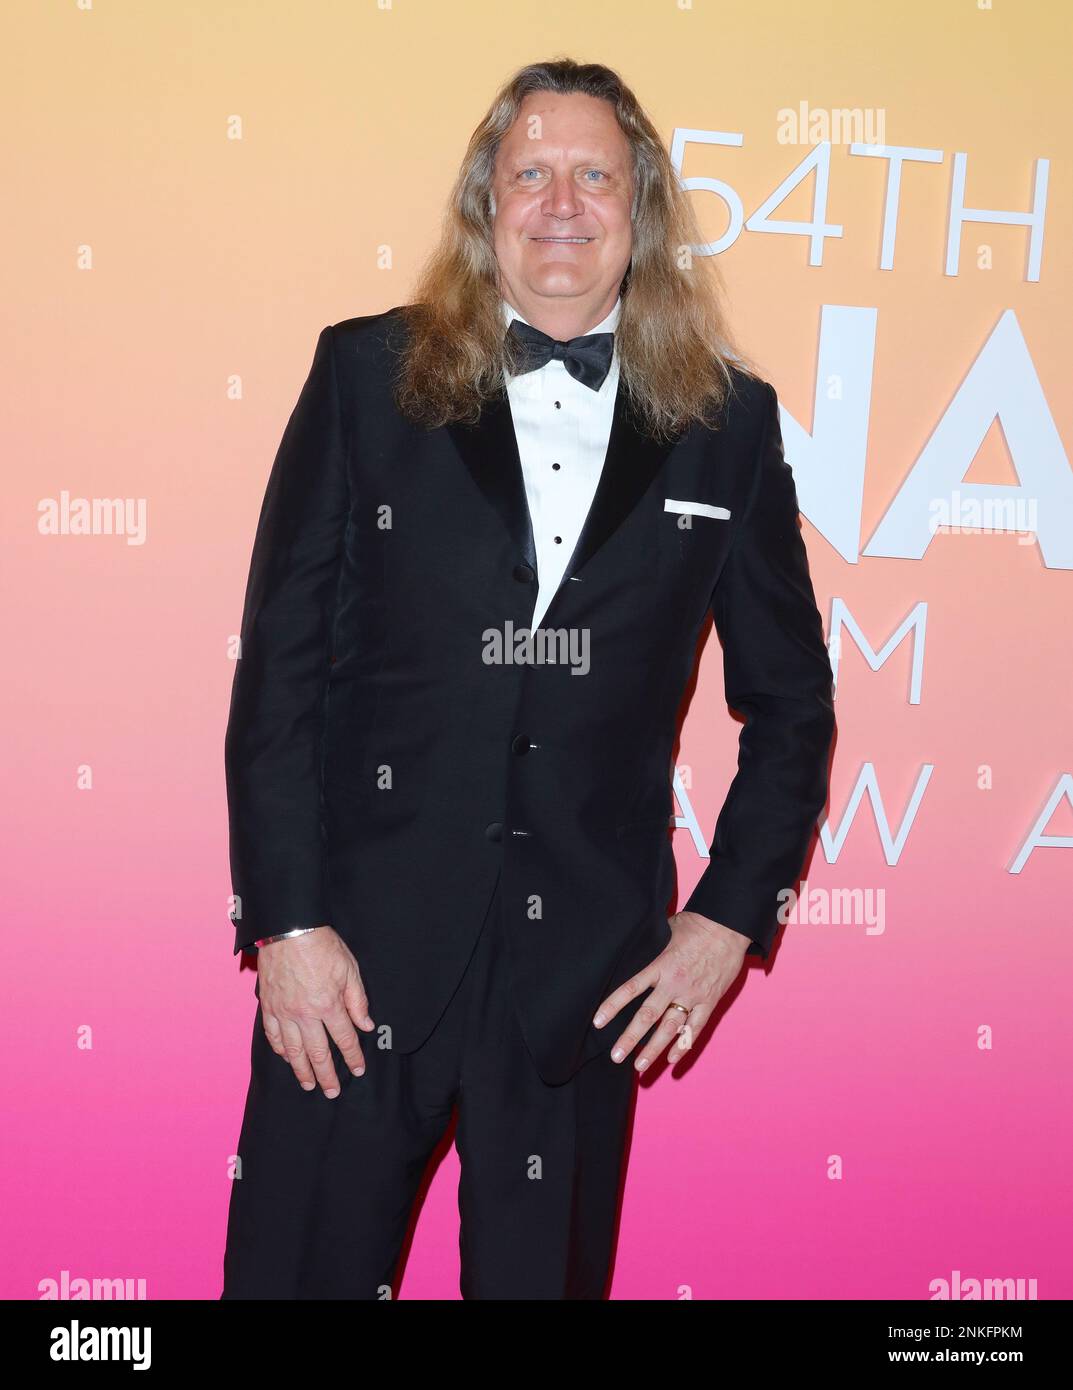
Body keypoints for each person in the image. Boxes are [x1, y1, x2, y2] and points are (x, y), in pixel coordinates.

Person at [221, 57, 835, 1301]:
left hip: (583, 985)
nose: (563, 200)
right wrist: (284, 923)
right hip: (353, 962)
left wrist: (728, 917)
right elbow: (279, 670)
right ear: (483, 205)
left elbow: (792, 704)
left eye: (594, 173)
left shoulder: (730, 423)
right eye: (531, 173)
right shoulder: (363, 376)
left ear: (640, 209)